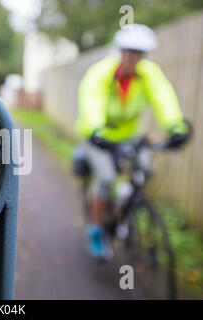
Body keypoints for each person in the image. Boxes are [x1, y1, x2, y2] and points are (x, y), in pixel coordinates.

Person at [75, 24, 189, 260]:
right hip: (99, 136)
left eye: (139, 54)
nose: (133, 58)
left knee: (146, 170)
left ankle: (123, 207)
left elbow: (163, 97)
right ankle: (96, 231)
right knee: (106, 178)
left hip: (129, 134)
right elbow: (91, 99)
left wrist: (175, 126)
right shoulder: (102, 72)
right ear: (120, 52)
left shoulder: (149, 73)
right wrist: (96, 129)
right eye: (129, 52)